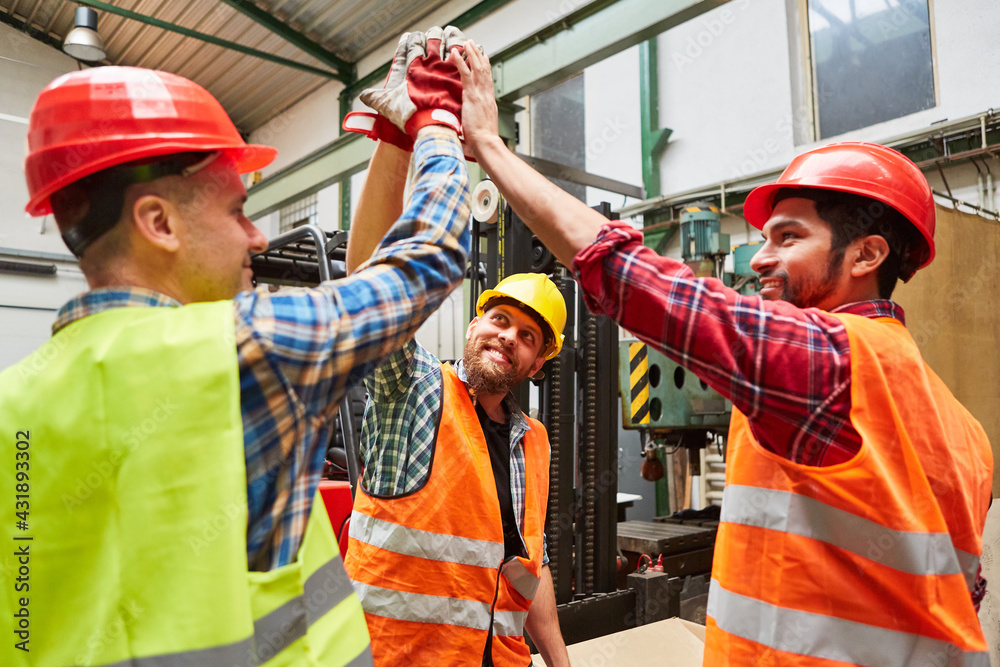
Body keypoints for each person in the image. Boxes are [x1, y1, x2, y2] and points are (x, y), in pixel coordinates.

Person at [454, 40, 993, 665]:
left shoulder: (833, 361)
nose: (761, 258)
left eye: (788, 237)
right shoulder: (965, 432)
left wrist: (489, 146)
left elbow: (639, 282)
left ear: (866, 255)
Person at [0, 40, 470, 667]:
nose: (257, 238)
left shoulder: (14, 404)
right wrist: (436, 122)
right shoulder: (241, 349)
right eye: (237, 210)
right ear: (159, 223)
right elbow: (427, 259)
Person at [340, 69, 570, 663]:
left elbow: (530, 569)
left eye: (527, 336)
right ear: (472, 326)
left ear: (537, 364)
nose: (507, 338)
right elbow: (370, 287)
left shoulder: (533, 443)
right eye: (499, 320)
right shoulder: (416, 390)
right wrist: (397, 141)